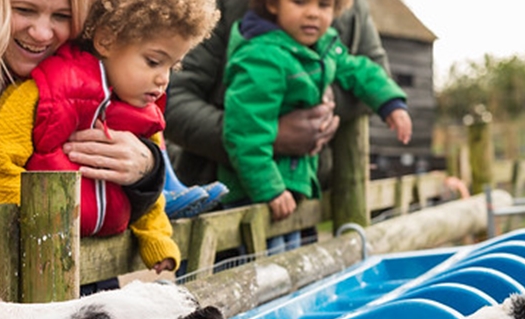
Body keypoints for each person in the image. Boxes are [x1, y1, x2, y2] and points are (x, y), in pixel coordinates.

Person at [0, 0, 219, 274]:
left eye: (172, 67)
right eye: (153, 62)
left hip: (99, 264)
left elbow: (152, 201)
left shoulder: (144, 116)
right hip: (42, 258)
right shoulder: (52, 86)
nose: (163, 79)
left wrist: (157, 239)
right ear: (106, 40)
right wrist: (29, 219)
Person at [0, 0, 168, 220]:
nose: (42, 33)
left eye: (61, 16)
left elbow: (102, 209)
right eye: (24, 10)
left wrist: (148, 170)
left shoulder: (92, 60)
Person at [220, 0, 412, 252]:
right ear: (273, 4)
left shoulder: (324, 48)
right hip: (256, 198)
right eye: (300, 2)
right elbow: (244, 132)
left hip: (293, 192)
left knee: (298, 270)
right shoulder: (262, 57)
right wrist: (269, 188)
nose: (312, 13)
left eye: (324, 5)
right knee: (270, 277)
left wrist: (391, 103)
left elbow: (359, 69)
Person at [165, 0, 389, 191]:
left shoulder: (354, 8)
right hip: (219, 189)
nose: (313, 12)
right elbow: (172, 98)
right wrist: (266, 135)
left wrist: (319, 97)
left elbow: (378, 76)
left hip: (307, 186)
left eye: (323, 4)